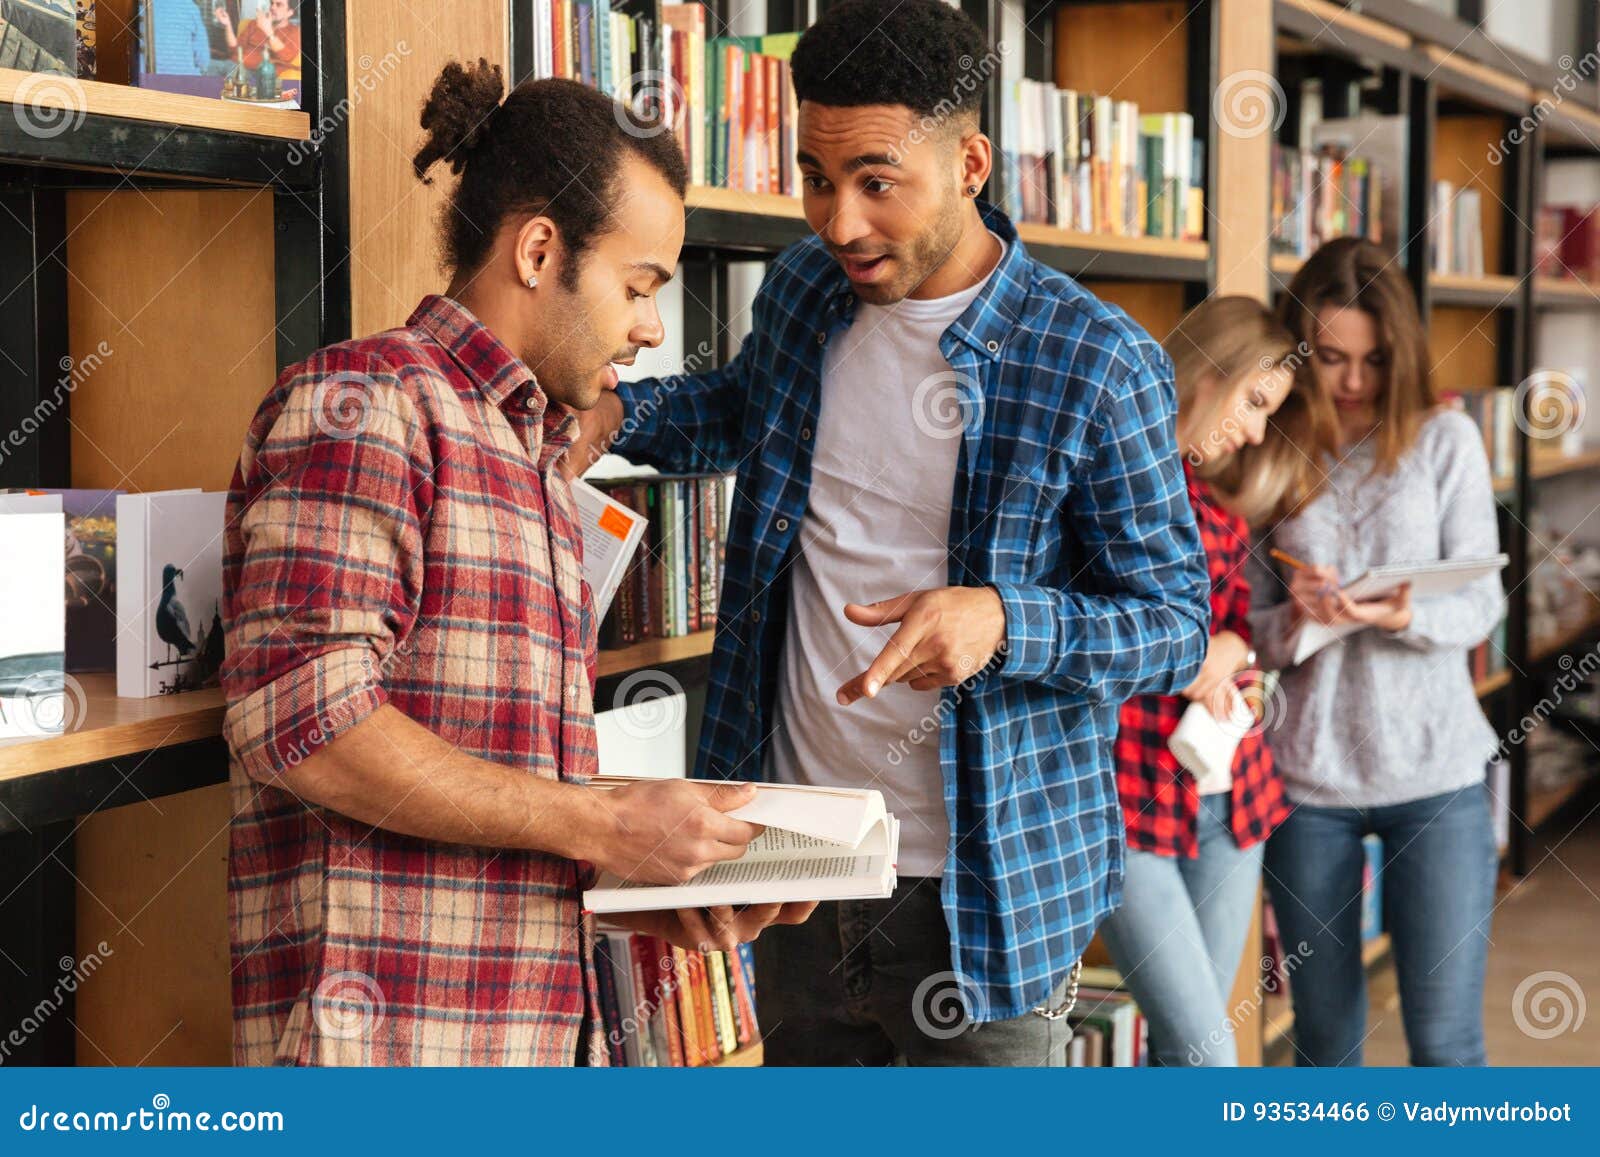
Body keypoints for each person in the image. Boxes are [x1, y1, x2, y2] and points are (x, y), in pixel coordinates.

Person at [567, 0, 1211, 1066]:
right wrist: (617, 413)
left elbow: (1175, 624)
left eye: (876, 182)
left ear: (970, 162)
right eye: (816, 179)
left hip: (984, 894)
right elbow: (743, 407)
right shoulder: (807, 290)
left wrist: (1004, 619)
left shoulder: (1099, 361)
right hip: (790, 861)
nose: (838, 221)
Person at [221, 63, 809, 1068]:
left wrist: (651, 878)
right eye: (637, 286)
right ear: (540, 248)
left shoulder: (535, 456)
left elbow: (502, 789)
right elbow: (301, 720)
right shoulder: (370, 404)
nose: (651, 327)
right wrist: (606, 820)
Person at [1248, 236, 1505, 1066]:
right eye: (1329, 357)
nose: (1353, 381)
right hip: (1306, 779)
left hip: (1437, 774)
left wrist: (1402, 615)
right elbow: (1241, 628)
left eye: (1373, 359)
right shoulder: (1268, 444)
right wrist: (1297, 615)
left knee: (1445, 1041)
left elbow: (1482, 599)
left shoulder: (1445, 440)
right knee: (1324, 1046)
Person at [1096, 296, 1324, 1066]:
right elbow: (1093, 642)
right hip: (1124, 804)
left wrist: (1237, 662)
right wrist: (1207, 651)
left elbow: (1239, 642)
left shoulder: (1224, 511)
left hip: (1230, 795)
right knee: (1207, 1057)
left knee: (1182, 1049)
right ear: (1206, 372)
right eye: (1255, 401)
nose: (1257, 430)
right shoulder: (1105, 486)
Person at [214, 0, 302, 76]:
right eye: (272, 3)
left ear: (290, 12)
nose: (272, 7)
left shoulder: (295, 32)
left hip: (256, 74)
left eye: (279, 4)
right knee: (205, 66)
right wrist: (227, 24)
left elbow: (287, 56)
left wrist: (268, 31)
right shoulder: (254, 24)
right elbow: (235, 49)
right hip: (232, 65)